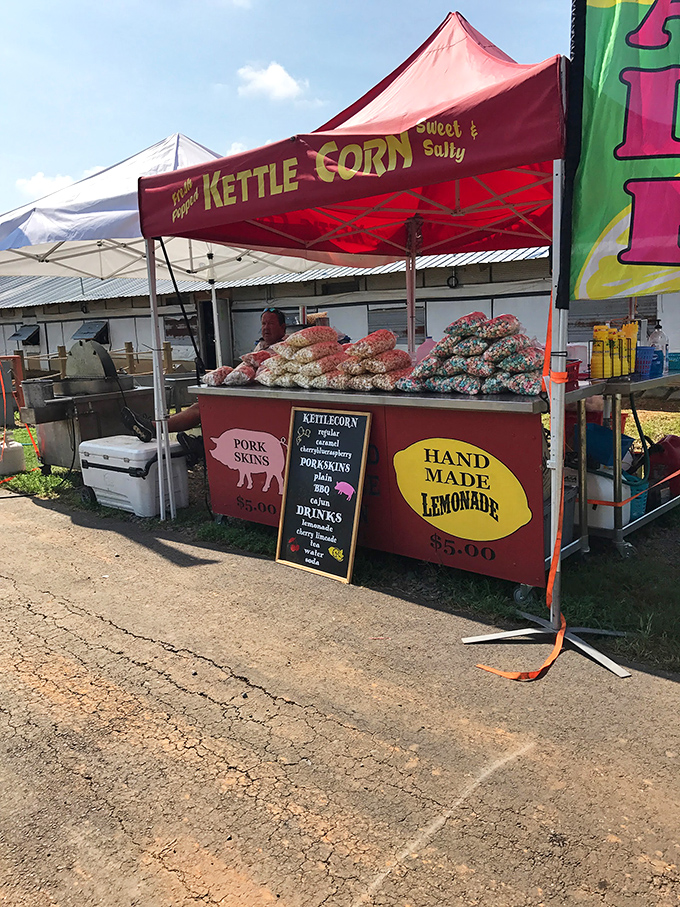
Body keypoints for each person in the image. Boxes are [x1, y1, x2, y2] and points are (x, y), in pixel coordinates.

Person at [122, 307, 288, 459]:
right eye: (264, 323)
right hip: (245, 396)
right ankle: (163, 430)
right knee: (203, 406)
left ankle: (196, 443)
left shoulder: (287, 348)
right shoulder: (260, 346)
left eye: (271, 323)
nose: (266, 328)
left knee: (208, 410)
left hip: (267, 403)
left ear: (283, 327)